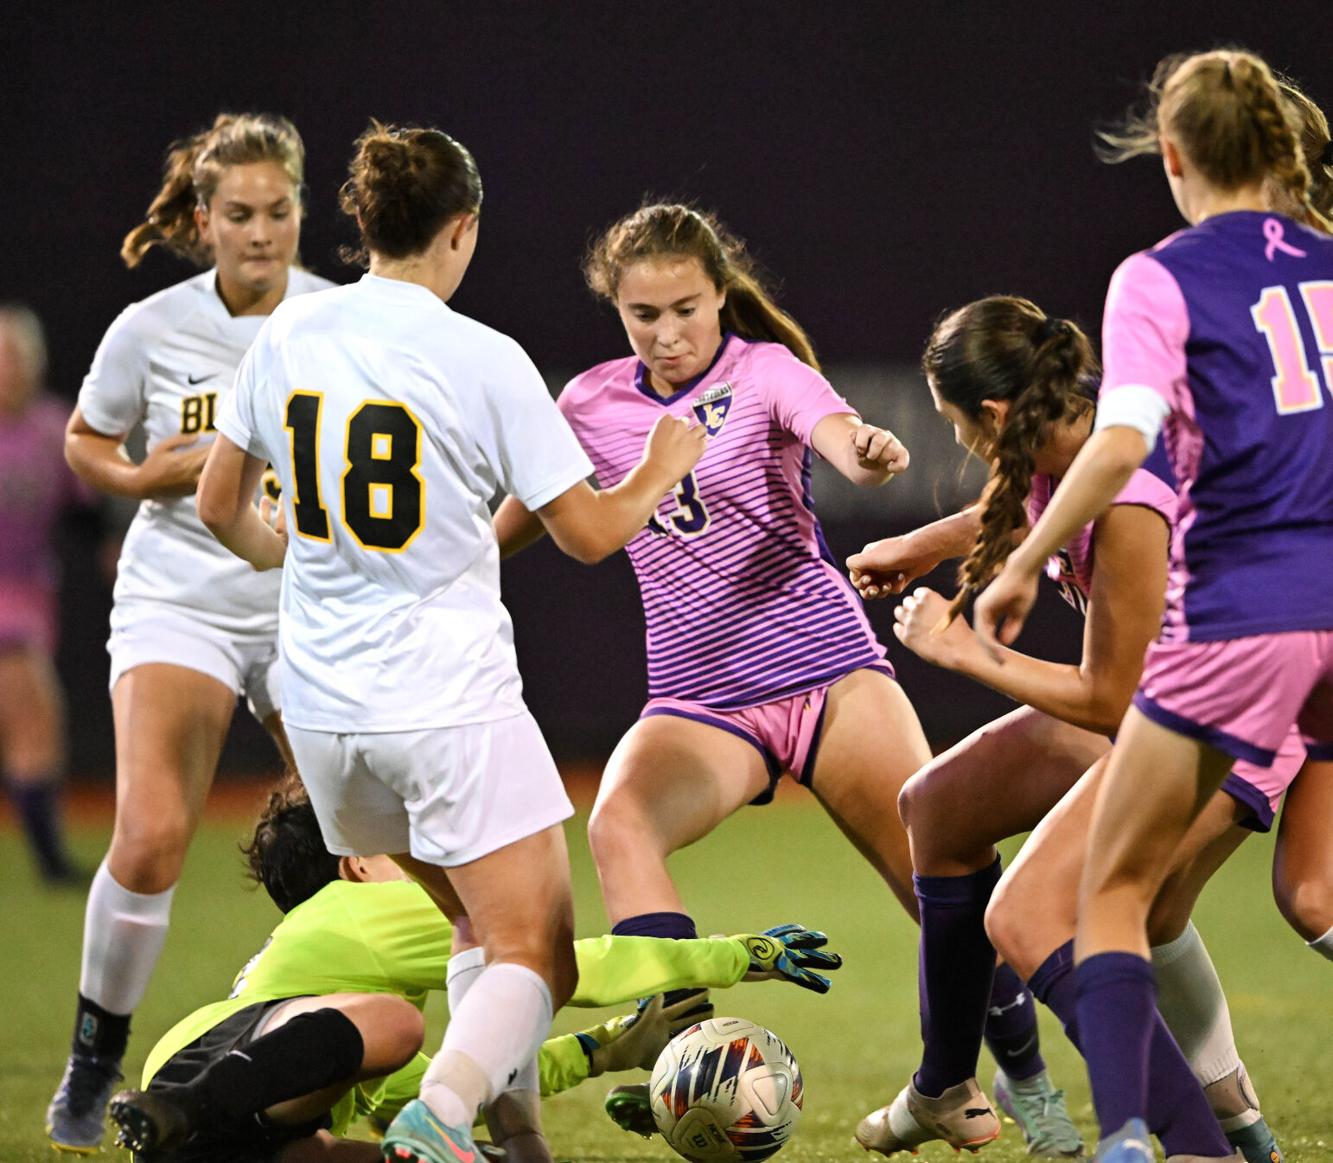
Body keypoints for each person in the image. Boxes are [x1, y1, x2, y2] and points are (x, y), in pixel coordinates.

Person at [195, 123, 706, 1163]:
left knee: (479, 931)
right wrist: (661, 463)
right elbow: (591, 532)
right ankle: (445, 1114)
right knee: (538, 951)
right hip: (444, 702)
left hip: (327, 719)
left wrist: (289, 549)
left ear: (363, 224)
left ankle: (516, 1145)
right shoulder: (480, 355)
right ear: (462, 227)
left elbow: (219, 507)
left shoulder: (290, 332)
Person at [492, 203, 1053, 1147]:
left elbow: (840, 437)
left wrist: (865, 451)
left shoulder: (765, 370)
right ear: (616, 311)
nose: (667, 333)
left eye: (684, 308)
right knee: (621, 822)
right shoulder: (586, 404)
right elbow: (506, 530)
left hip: (829, 675)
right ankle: (681, 1050)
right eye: (642, 315)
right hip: (701, 701)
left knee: (939, 885)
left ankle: (1010, 1084)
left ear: (720, 295)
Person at [972, 49, 1333, 1162]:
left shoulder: (1158, 275)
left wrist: (1027, 552)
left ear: (1170, 155)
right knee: (1312, 891)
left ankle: (1129, 1139)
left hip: (1244, 610)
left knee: (1109, 889)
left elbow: (1122, 437)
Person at [846, 296, 1295, 1162]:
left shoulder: (1126, 487)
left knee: (1028, 913)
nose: (966, 447)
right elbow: (1025, 505)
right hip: (1178, 703)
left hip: (1227, 719)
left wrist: (961, 649)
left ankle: (1204, 1146)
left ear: (996, 413)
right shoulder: (1081, 412)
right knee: (937, 806)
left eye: (959, 427)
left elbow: (1109, 697)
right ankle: (946, 1083)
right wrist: (923, 543)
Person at [46, 113, 332, 1153]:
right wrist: (135, 476)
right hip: (186, 598)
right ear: (203, 219)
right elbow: (87, 437)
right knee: (154, 833)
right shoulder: (151, 327)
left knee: (360, 848)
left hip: (306, 600)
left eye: (281, 210)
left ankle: (326, 1055)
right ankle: (91, 1058)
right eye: (241, 214)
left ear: (304, 208)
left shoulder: (338, 317)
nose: (262, 233)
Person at [107, 775, 843, 1162]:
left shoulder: (337, 989)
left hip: (251, 1131)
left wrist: (607, 1049)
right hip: (196, 1084)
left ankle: (186, 1119)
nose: (430, 849)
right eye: (405, 837)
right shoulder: (364, 909)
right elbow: (557, 966)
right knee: (397, 1022)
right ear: (357, 862)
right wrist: (736, 954)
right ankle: (180, 1109)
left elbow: (456, 1072)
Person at [0, 305, 96, 886]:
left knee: (37, 728)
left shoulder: (52, 426)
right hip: (9, 609)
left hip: (33, 593)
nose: (9, 368)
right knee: (34, 718)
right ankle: (52, 864)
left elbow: (89, 509)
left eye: (18, 355)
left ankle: (50, 860)